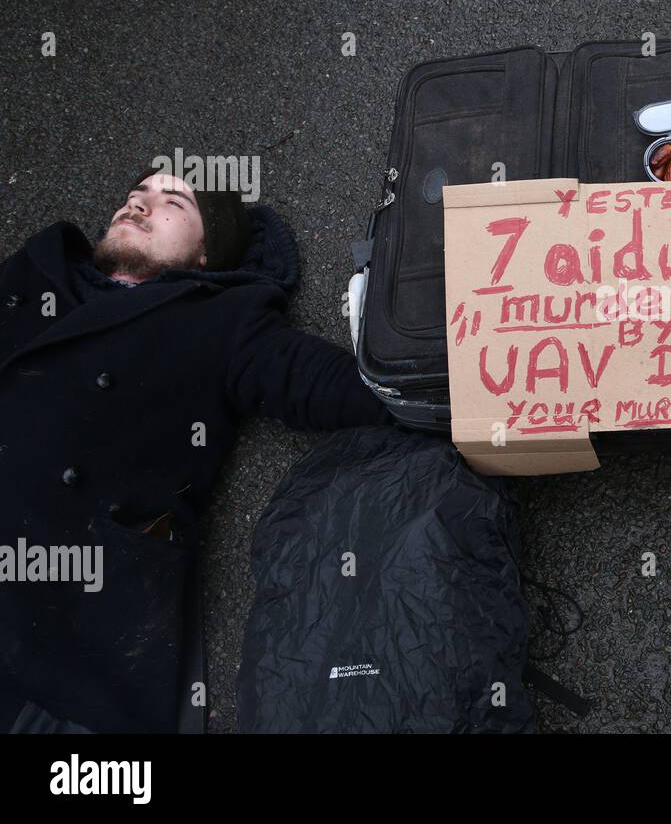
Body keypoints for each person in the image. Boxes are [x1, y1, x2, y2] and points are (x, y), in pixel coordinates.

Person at [0, 168, 391, 732]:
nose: (137, 207)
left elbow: (342, 389)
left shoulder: (218, 319)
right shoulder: (36, 272)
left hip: (62, 620)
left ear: (209, 254)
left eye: (171, 204)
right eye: (135, 197)